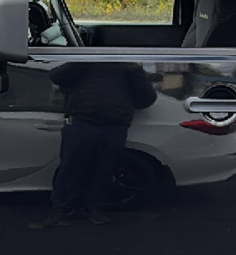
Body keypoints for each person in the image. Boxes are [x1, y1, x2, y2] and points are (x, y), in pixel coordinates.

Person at [33, 61, 155, 227]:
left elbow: (146, 100)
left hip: (114, 126)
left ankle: (94, 207)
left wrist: (136, 71)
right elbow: (56, 76)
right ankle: (61, 210)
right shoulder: (86, 63)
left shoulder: (129, 70)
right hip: (81, 122)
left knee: (104, 170)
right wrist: (83, 60)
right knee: (70, 168)